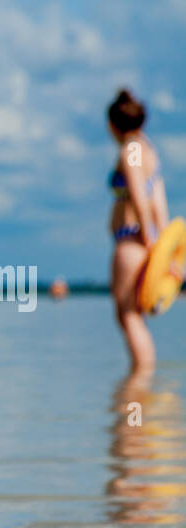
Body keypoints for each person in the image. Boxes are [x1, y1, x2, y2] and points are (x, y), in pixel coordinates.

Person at [108, 88, 168, 376]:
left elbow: (140, 199)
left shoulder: (130, 149)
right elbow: (157, 200)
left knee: (127, 314)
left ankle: (139, 383)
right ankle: (143, 383)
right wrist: (161, 243)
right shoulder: (150, 151)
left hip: (132, 239)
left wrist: (147, 238)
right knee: (135, 315)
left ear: (112, 125)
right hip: (145, 239)